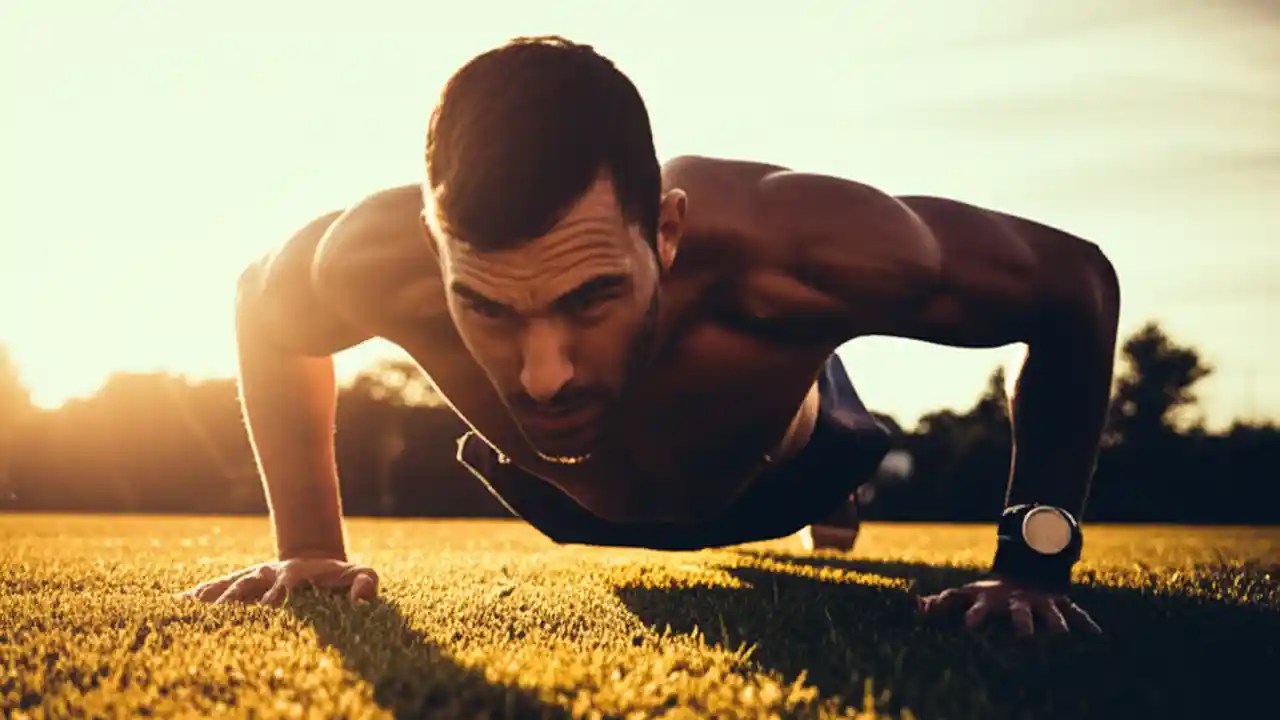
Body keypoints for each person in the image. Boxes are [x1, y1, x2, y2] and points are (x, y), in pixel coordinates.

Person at [180, 37, 1116, 636]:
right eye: (491, 310)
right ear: (436, 246)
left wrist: (1034, 563)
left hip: (786, 471)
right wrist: (309, 547)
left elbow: (1076, 286)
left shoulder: (803, 247)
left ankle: (835, 432)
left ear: (666, 233)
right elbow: (261, 311)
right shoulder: (374, 258)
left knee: (790, 353)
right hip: (563, 499)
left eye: (591, 297)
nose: (542, 377)